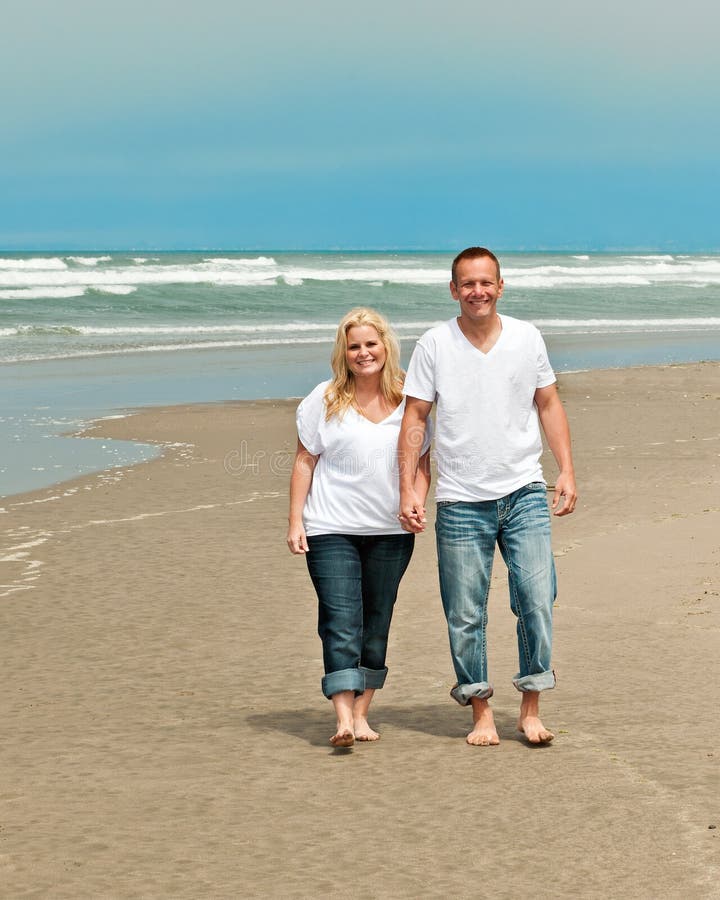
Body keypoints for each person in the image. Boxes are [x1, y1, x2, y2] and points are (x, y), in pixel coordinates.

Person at [398, 247, 577, 746]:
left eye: (486, 282)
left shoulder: (526, 338)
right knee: (465, 611)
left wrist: (566, 470)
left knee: (537, 600)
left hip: (523, 491)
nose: (477, 291)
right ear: (454, 290)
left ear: (501, 286)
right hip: (459, 500)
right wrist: (408, 486)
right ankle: (480, 710)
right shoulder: (434, 343)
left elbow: (548, 402)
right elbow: (415, 417)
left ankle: (530, 707)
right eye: (467, 283)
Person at [288, 307, 432, 747]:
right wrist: (295, 519)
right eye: (354, 346)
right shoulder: (324, 398)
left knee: (376, 620)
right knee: (339, 618)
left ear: (386, 346)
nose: (363, 353)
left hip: (391, 531)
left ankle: (364, 712)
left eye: (371, 344)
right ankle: (343, 717)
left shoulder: (413, 399)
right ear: (343, 352)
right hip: (330, 526)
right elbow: (304, 460)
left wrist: (416, 502)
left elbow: (424, 462)